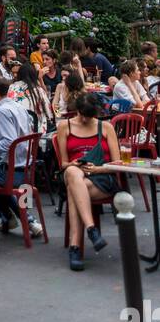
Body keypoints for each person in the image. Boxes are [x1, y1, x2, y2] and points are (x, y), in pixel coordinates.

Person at [56, 91, 121, 271]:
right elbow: (63, 163)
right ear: (77, 111)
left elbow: (117, 164)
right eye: (82, 115)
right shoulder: (64, 126)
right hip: (75, 175)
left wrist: (97, 169)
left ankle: (75, 247)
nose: (85, 120)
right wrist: (75, 164)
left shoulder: (106, 127)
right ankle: (91, 229)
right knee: (72, 171)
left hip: (101, 178)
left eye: (89, 116)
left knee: (74, 188)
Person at [0, 74, 44, 236]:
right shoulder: (17, 106)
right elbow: (17, 137)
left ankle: (17, 218)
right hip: (27, 168)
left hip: (14, 171)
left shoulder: (2, 111)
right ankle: (14, 218)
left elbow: (8, 143)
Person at [6, 59, 53, 135]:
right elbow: (49, 113)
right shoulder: (39, 90)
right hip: (36, 135)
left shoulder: (12, 88)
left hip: (17, 132)